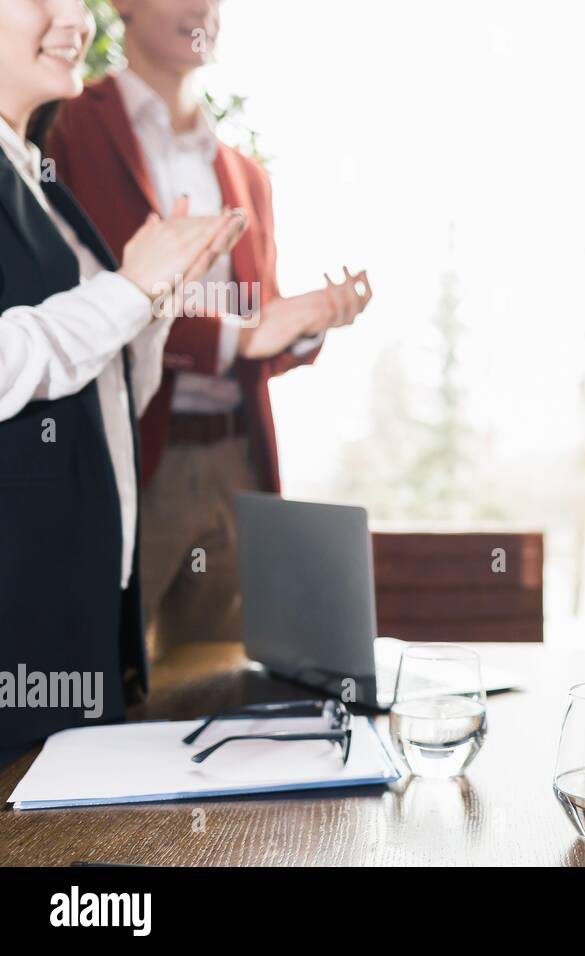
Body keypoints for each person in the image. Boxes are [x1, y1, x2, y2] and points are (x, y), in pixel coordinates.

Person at [42, 0, 373, 656]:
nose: (204, 7)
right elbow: (77, 305)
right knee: (106, 682)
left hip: (238, 464)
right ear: (121, 6)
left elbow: (258, 327)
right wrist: (238, 335)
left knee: (224, 685)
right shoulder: (64, 127)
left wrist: (305, 324)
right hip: (135, 458)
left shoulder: (245, 173)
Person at [0, 0, 245, 754]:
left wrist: (157, 301)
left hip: (73, 598)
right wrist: (130, 290)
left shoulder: (34, 172)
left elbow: (104, 393)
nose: (74, 17)